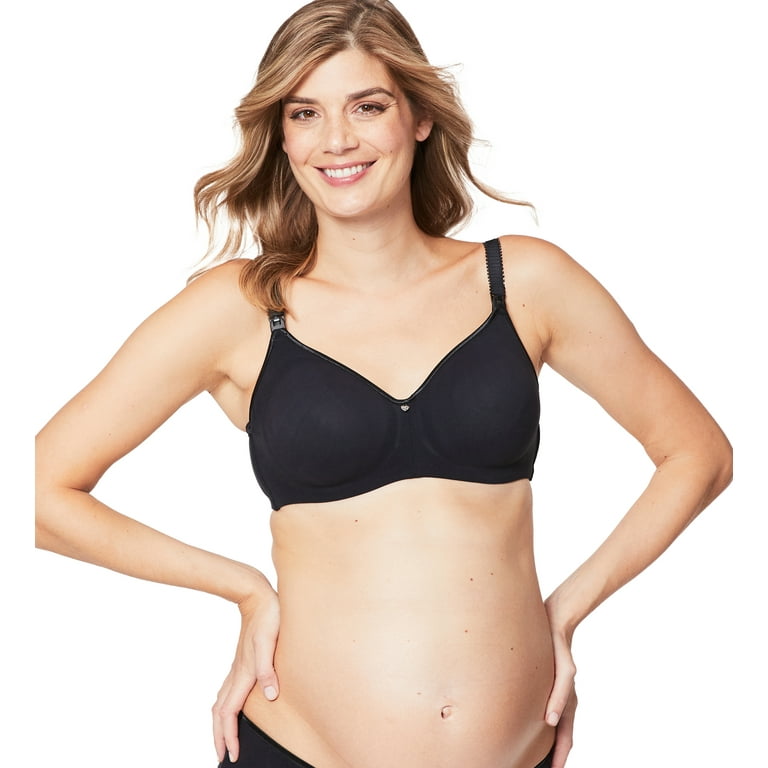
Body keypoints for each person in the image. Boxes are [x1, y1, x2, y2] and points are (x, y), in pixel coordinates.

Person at [34, 1, 732, 767]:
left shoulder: (523, 282)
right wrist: (241, 587)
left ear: (420, 117)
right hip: (295, 747)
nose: (337, 139)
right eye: (305, 113)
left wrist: (564, 613)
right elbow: (38, 490)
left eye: (367, 106)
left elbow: (697, 453)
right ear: (283, 136)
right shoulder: (242, 307)